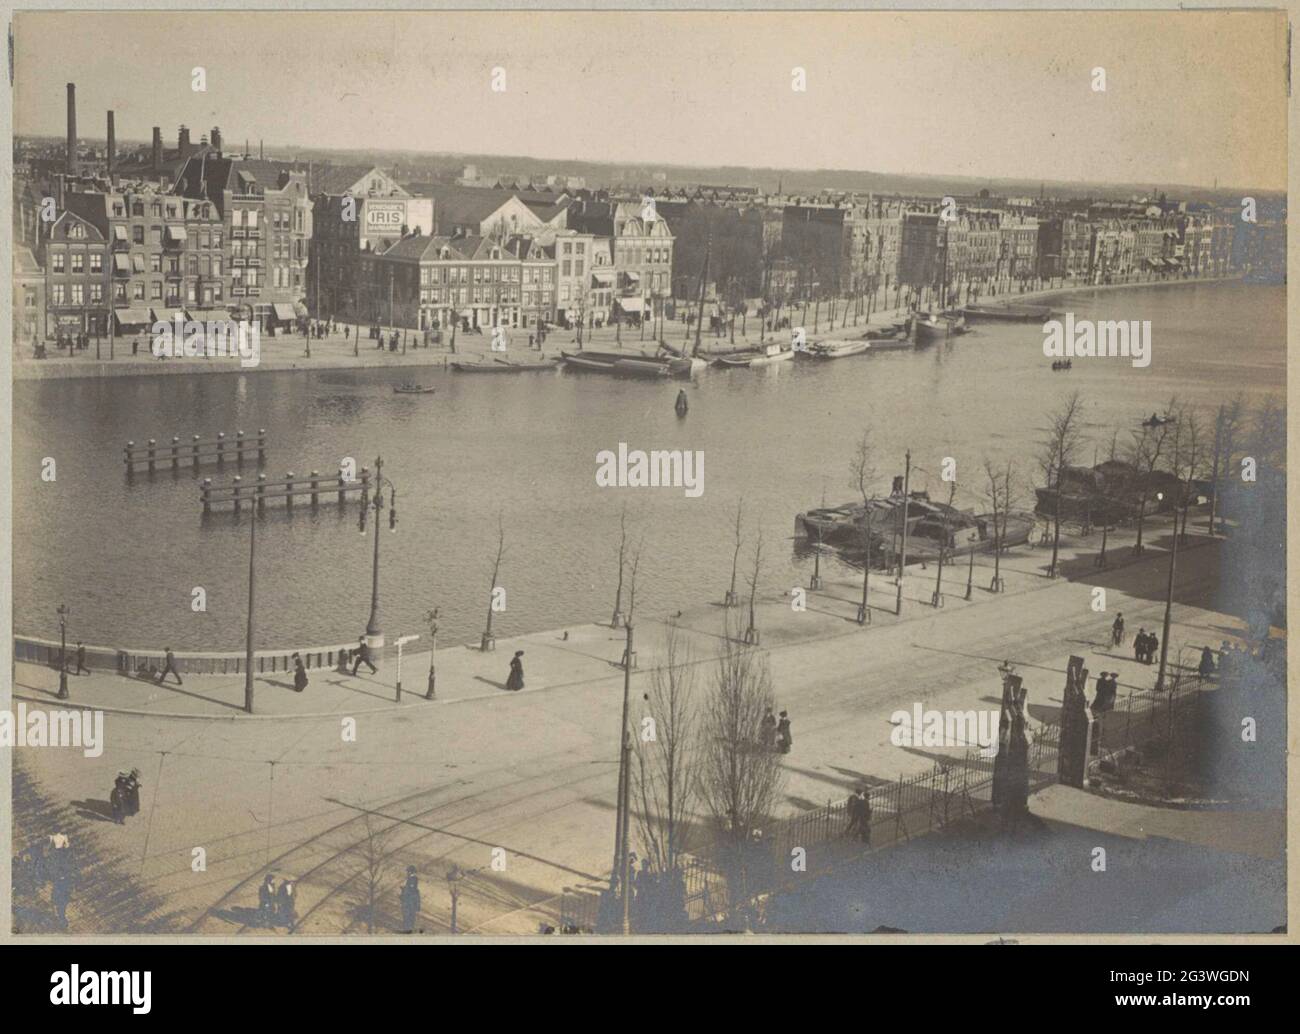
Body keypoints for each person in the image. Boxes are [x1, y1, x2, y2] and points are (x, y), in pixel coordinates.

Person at [400, 865, 421, 933]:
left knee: (408, 915)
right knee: (409, 915)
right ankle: (408, 928)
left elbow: (411, 889)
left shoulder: (412, 879)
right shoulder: (412, 878)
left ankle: (408, 929)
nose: (407, 873)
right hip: (411, 899)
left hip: (410, 900)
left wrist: (404, 890)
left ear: (410, 872)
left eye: (408, 871)